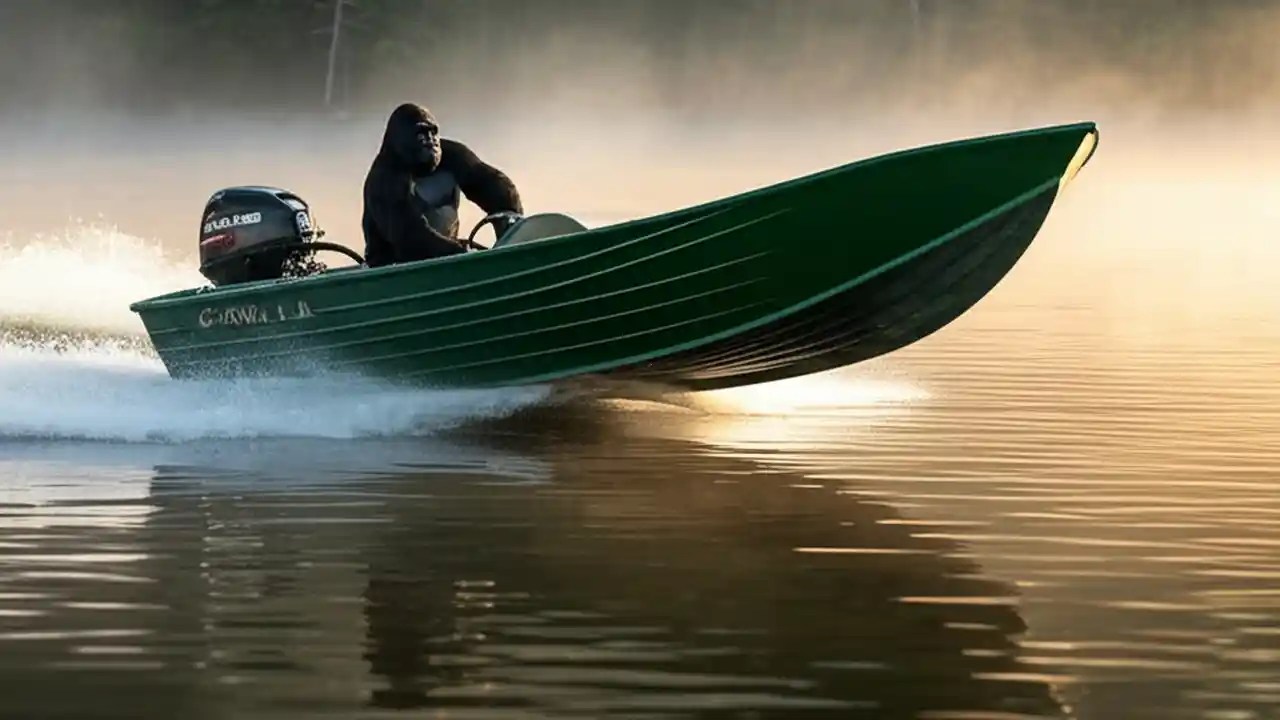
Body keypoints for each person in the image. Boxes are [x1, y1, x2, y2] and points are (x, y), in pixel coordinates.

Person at [361, 103, 523, 268]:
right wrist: (462, 254)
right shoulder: (384, 178)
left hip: (446, 258)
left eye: (433, 132)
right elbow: (409, 237)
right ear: (401, 139)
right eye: (421, 134)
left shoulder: (453, 156)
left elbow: (498, 189)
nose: (430, 140)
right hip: (395, 267)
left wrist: (511, 232)